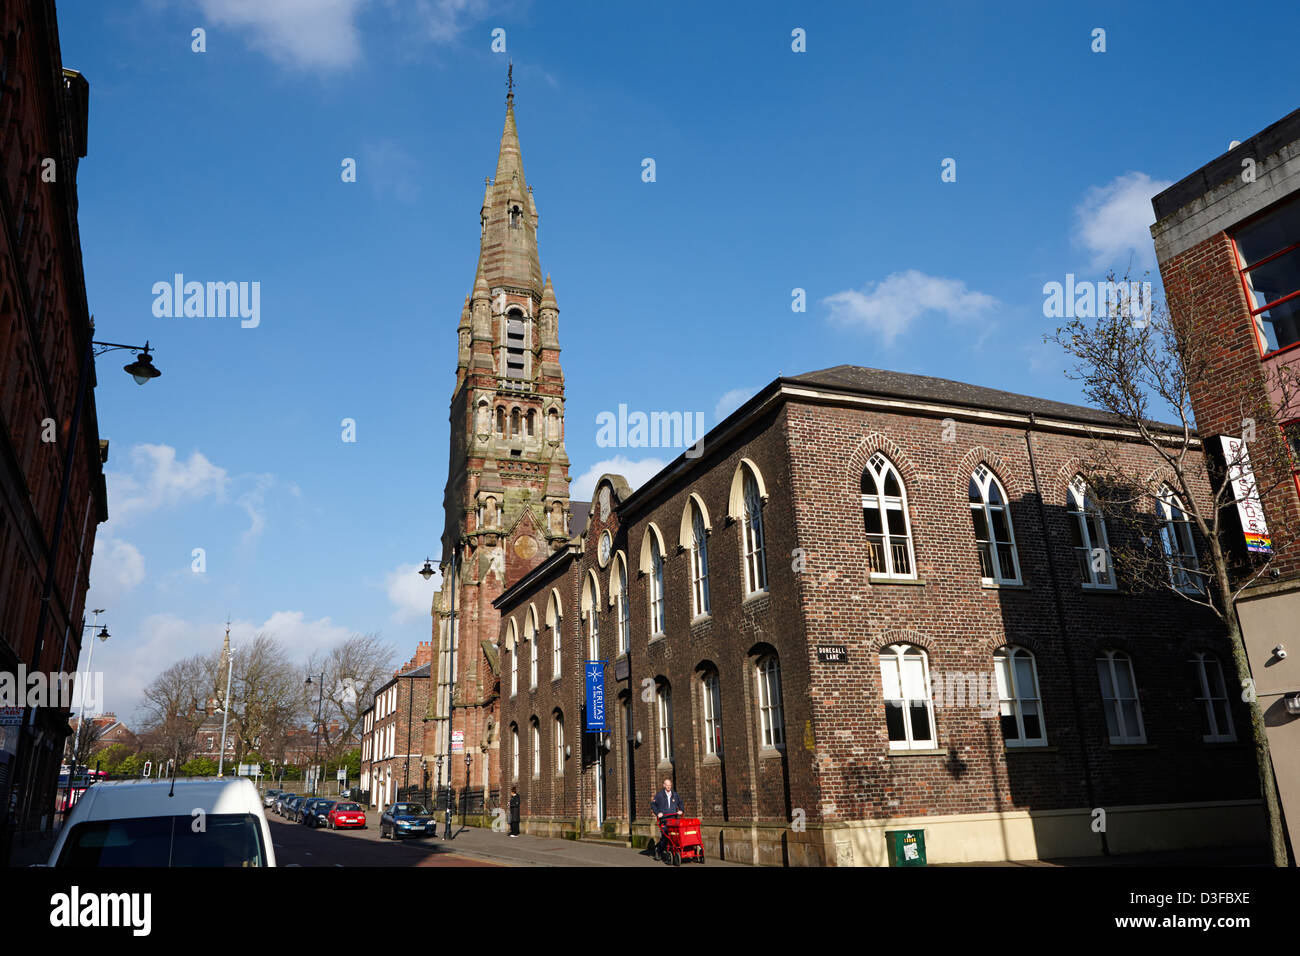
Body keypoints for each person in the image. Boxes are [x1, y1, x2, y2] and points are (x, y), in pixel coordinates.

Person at [650, 777, 683, 861]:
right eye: (667, 785)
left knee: (675, 837)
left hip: (673, 820)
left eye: (670, 785)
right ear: (664, 785)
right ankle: (658, 850)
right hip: (664, 820)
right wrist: (658, 813)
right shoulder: (659, 795)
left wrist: (681, 810)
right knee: (665, 837)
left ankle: (674, 852)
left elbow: (680, 802)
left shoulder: (675, 795)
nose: (669, 787)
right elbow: (653, 805)